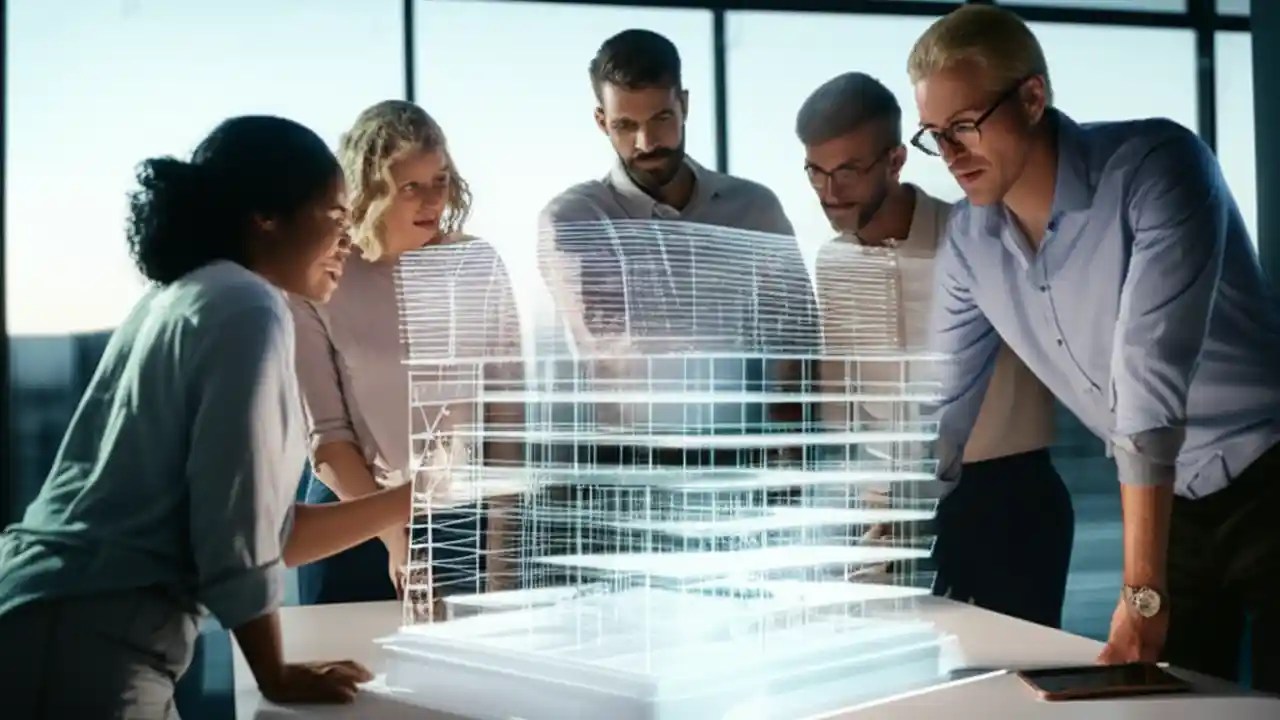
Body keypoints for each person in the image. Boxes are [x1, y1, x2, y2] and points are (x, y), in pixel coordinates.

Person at [908, 5, 1280, 690]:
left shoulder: (1159, 168)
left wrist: (1142, 594)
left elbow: (1148, 374)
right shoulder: (969, 242)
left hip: (1268, 477)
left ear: (1032, 96)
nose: (952, 155)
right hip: (1169, 512)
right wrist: (878, 540)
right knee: (1177, 707)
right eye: (935, 135)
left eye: (964, 125)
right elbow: (942, 407)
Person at [0, 115, 413, 716]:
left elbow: (271, 534)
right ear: (265, 216)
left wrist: (415, 498)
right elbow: (235, 518)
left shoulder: (183, 296)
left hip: (64, 619)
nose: (346, 239)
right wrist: (274, 673)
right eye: (336, 215)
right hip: (87, 638)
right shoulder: (248, 303)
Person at [796, 72, 1068, 628]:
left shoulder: (980, 236)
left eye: (848, 171)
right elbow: (846, 397)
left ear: (896, 160)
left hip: (1004, 498)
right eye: (816, 172)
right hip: (885, 507)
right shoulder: (831, 262)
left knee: (1010, 691)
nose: (830, 192)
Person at [292, 100, 524, 616]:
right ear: (369, 192)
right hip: (350, 522)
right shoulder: (320, 276)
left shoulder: (475, 264)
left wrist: (502, 550)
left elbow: (509, 417)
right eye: (410, 187)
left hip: (462, 521)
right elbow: (328, 441)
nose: (432, 201)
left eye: (440, 180)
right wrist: (398, 545)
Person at [538, 28, 819, 454]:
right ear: (601, 122)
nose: (646, 143)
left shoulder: (755, 210)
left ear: (683, 104)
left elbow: (797, 343)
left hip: (743, 459)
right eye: (625, 126)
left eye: (661, 120)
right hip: (627, 464)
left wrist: (790, 457)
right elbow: (617, 352)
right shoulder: (576, 220)